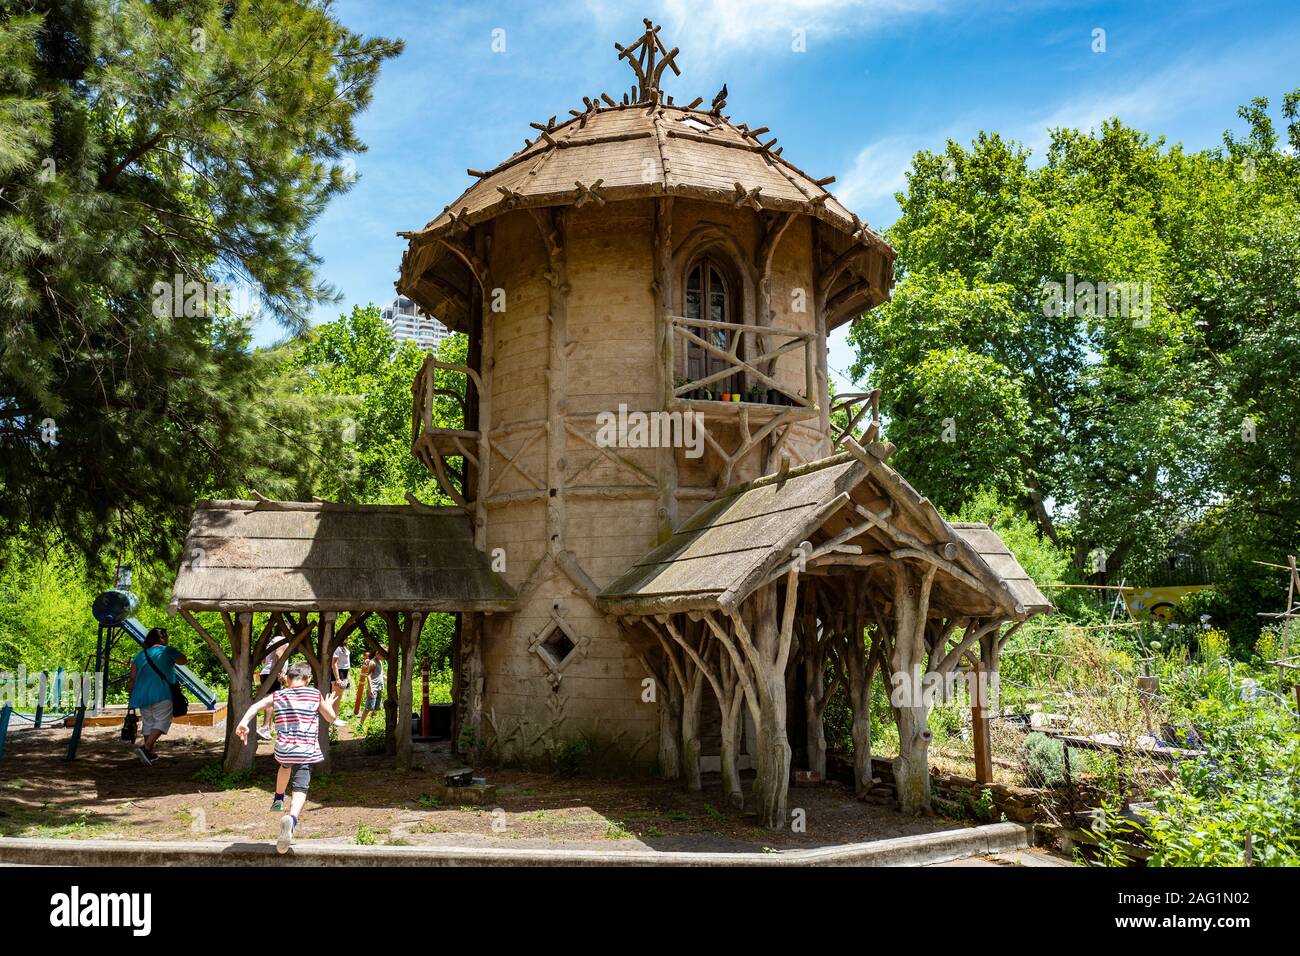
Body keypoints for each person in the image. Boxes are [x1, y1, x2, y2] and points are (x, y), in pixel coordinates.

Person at [235, 662, 338, 853]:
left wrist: (243, 722)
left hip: (283, 749)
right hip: (305, 750)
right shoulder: (314, 694)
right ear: (307, 680)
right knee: (300, 787)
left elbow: (257, 706)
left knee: (285, 766)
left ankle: (278, 797)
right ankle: (291, 820)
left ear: (288, 679)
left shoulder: (279, 695)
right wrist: (329, 704)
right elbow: (331, 718)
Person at [127, 627, 188, 766]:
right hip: (162, 692)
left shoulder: (139, 655)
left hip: (142, 695)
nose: (167, 639)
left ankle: (149, 754)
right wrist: (174, 654)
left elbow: (132, 678)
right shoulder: (167, 650)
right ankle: (146, 747)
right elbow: (183, 661)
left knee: (148, 723)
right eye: (166, 637)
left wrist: (131, 695)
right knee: (163, 721)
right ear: (162, 638)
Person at [256, 638, 289, 740]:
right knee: (272, 700)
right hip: (273, 673)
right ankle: (265, 727)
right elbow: (279, 654)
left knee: (272, 700)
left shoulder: (272, 640)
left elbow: (264, 660)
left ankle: (270, 728)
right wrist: (281, 673)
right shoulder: (282, 639)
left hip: (266, 672)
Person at [358, 650, 385, 728]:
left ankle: (372, 726)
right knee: (368, 708)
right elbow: (369, 676)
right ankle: (360, 725)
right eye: (382, 655)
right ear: (377, 653)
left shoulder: (380, 662)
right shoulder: (373, 663)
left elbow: (381, 674)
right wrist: (371, 688)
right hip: (373, 688)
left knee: (376, 708)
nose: (384, 657)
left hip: (379, 688)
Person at [330, 641, 351, 727]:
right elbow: (334, 663)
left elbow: (347, 662)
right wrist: (337, 678)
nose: (347, 637)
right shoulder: (336, 647)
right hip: (339, 672)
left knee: (339, 697)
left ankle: (336, 718)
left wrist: (348, 676)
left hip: (345, 672)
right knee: (335, 697)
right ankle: (332, 719)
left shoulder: (345, 647)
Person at [351, 650, 371, 718]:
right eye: (365, 656)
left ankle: (357, 711)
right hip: (362, 684)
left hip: (364, 684)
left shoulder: (369, 663)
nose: (366, 658)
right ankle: (356, 711)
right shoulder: (366, 663)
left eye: (368, 656)